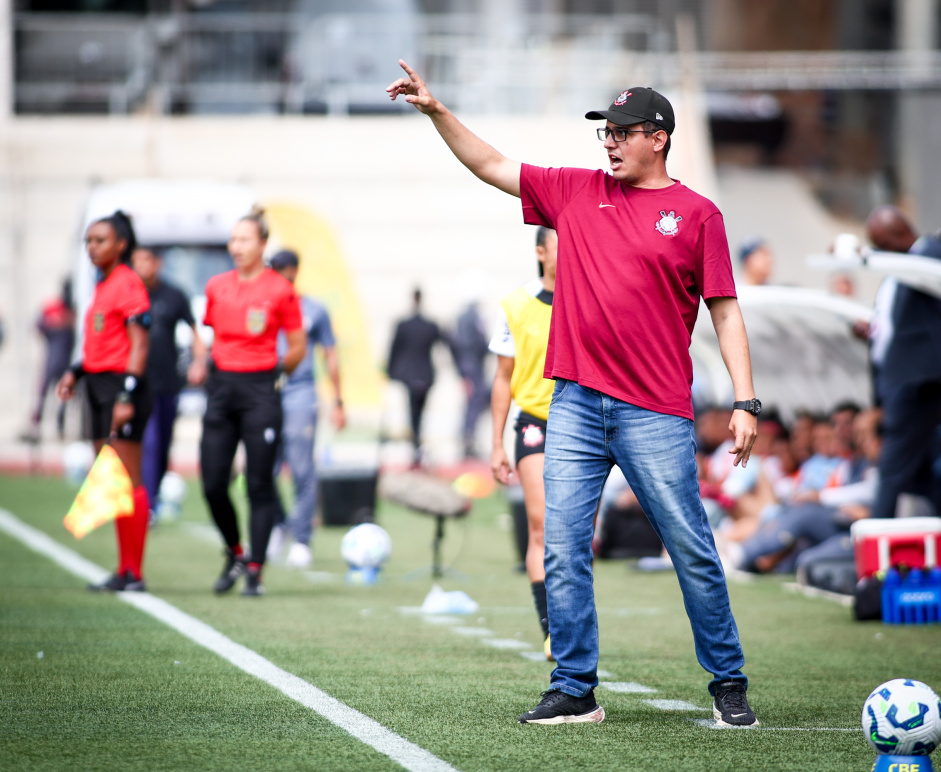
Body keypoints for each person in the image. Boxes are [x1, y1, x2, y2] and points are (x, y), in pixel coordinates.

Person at [388, 62, 760, 727]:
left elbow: (725, 312)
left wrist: (744, 399)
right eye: (604, 133)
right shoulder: (573, 192)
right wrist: (436, 111)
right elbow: (492, 165)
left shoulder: (698, 215)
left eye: (621, 132)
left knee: (691, 549)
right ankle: (574, 687)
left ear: (659, 138)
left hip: (655, 410)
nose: (609, 142)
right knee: (560, 546)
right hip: (577, 404)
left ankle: (727, 681)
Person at [200, 207, 305, 597]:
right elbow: (212, 336)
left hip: (261, 389)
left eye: (244, 240)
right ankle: (235, 551)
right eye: (232, 240)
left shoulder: (280, 289)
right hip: (222, 388)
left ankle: (256, 570)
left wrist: (276, 375)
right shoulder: (216, 286)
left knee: (259, 484)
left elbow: (297, 347)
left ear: (262, 243)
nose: (236, 247)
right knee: (212, 484)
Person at [56, 211, 153, 591]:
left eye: (100, 240)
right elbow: (103, 343)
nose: (92, 247)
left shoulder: (128, 283)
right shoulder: (103, 283)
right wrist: (76, 372)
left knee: (128, 479)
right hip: (97, 386)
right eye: (89, 241)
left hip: (119, 388)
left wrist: (126, 395)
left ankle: (136, 572)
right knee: (112, 481)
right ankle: (124, 569)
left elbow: (139, 344)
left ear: (121, 245)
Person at [490, 226, 557, 660]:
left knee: (575, 534)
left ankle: (574, 623)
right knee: (541, 525)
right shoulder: (515, 304)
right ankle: (553, 630)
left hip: (583, 425)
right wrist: (495, 444)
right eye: (561, 243)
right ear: (540, 251)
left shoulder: (591, 297)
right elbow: (502, 378)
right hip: (534, 423)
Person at [266, 249, 346, 569]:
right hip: (266, 394)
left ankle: (301, 539)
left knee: (301, 470)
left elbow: (330, 354)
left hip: (300, 393)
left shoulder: (313, 309)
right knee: (262, 471)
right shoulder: (263, 306)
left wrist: (338, 401)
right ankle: (278, 524)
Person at [865, 206, 941, 519]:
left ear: (898, 235)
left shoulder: (929, 253)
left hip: (918, 384)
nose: (880, 253)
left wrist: (864, 255)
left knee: (891, 471)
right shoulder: (899, 269)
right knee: (918, 472)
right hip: (901, 383)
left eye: (881, 245)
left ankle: (871, 553)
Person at [131, 247, 208, 520]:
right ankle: (147, 505)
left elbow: (195, 330)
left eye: (146, 260)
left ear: (157, 263)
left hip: (168, 384)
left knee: (162, 445)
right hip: (139, 385)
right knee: (148, 444)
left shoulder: (174, 295)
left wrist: (199, 362)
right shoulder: (130, 297)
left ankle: (155, 494)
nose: (141, 265)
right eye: (136, 260)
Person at [387, 288, 443, 467]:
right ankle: (416, 446)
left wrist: (391, 371)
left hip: (411, 376)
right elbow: (445, 343)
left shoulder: (405, 325)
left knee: (413, 413)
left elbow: (394, 350)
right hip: (425, 375)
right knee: (419, 413)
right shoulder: (429, 325)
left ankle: (415, 446)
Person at [23, 279, 76, 442]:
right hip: (51, 360)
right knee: (42, 394)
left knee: (62, 396)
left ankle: (60, 425)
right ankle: (35, 426)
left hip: (65, 361)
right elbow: (37, 326)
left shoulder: (72, 312)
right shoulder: (52, 309)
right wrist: (51, 324)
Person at [450, 299, 491, 458]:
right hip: (473, 368)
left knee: (474, 404)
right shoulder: (472, 318)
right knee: (474, 404)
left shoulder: (462, 319)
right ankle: (468, 440)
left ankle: (468, 439)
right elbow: (479, 343)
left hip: (469, 367)